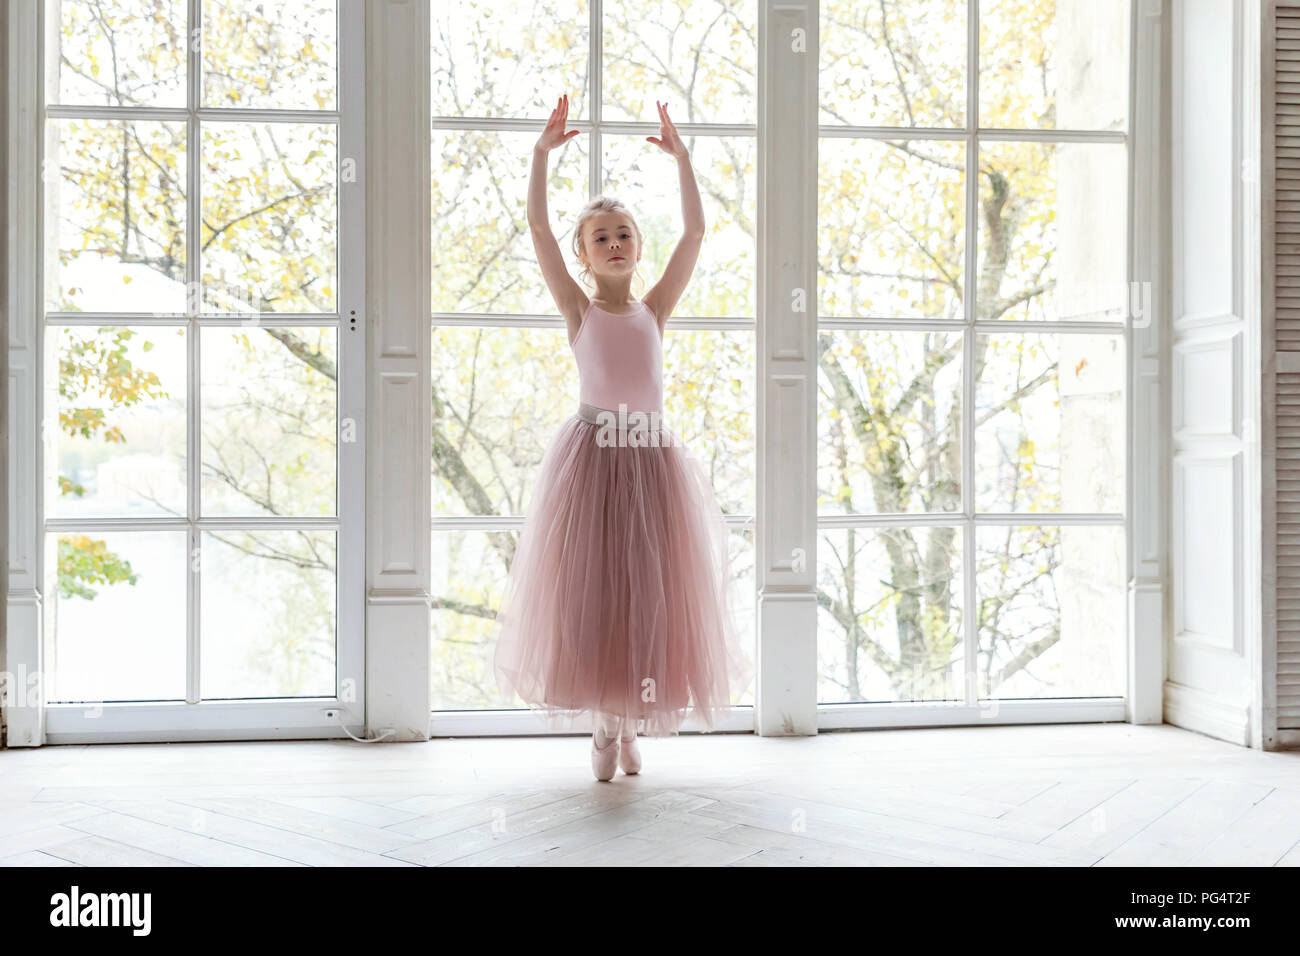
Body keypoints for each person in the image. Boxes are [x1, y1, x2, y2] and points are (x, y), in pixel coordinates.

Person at [492, 94, 749, 782]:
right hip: (592, 461)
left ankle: (631, 723)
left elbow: (696, 236)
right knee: (597, 596)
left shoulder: (654, 307)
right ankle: (604, 729)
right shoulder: (577, 308)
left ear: (638, 248)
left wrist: (685, 161)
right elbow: (538, 229)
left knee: (649, 594)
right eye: (600, 236)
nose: (613, 243)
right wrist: (541, 157)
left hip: (652, 459)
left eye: (624, 234)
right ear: (583, 256)